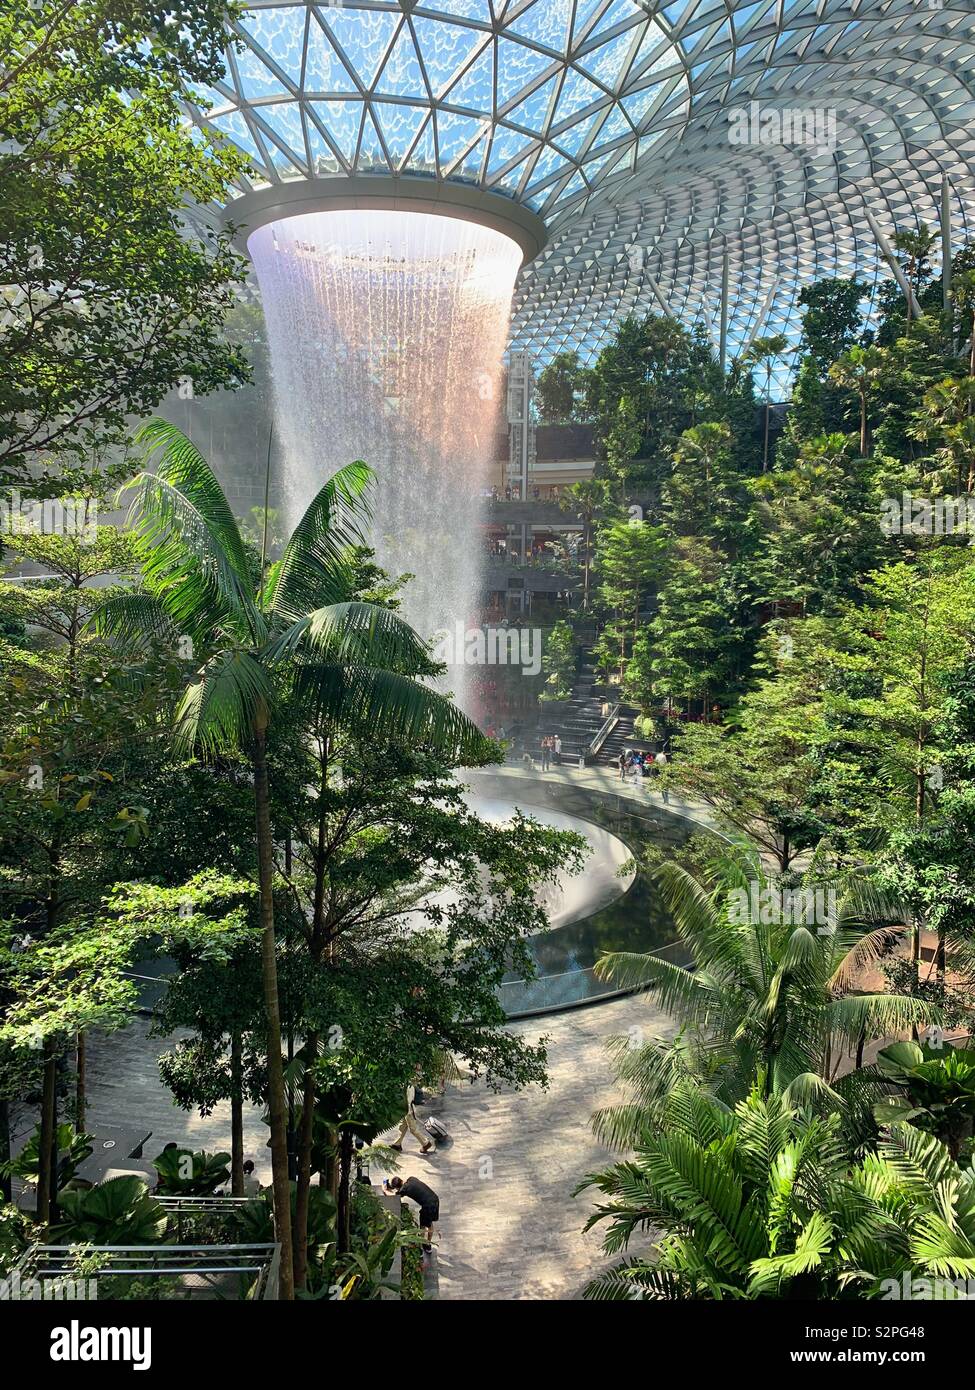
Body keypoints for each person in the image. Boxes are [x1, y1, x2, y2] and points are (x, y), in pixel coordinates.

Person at [384, 1175, 440, 1252]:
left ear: (397, 1188)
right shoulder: (411, 1179)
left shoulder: (404, 1189)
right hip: (435, 1199)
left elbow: (393, 1196)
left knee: (423, 1226)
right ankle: (427, 1243)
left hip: (428, 1205)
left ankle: (424, 1245)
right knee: (429, 1224)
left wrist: (384, 1189)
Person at [389, 1082, 432, 1154]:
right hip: (405, 1109)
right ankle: (397, 1144)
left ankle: (426, 1143)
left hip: (408, 1110)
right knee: (402, 1127)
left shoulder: (409, 1086)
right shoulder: (404, 1083)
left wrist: (408, 1112)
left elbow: (409, 1100)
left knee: (413, 1129)